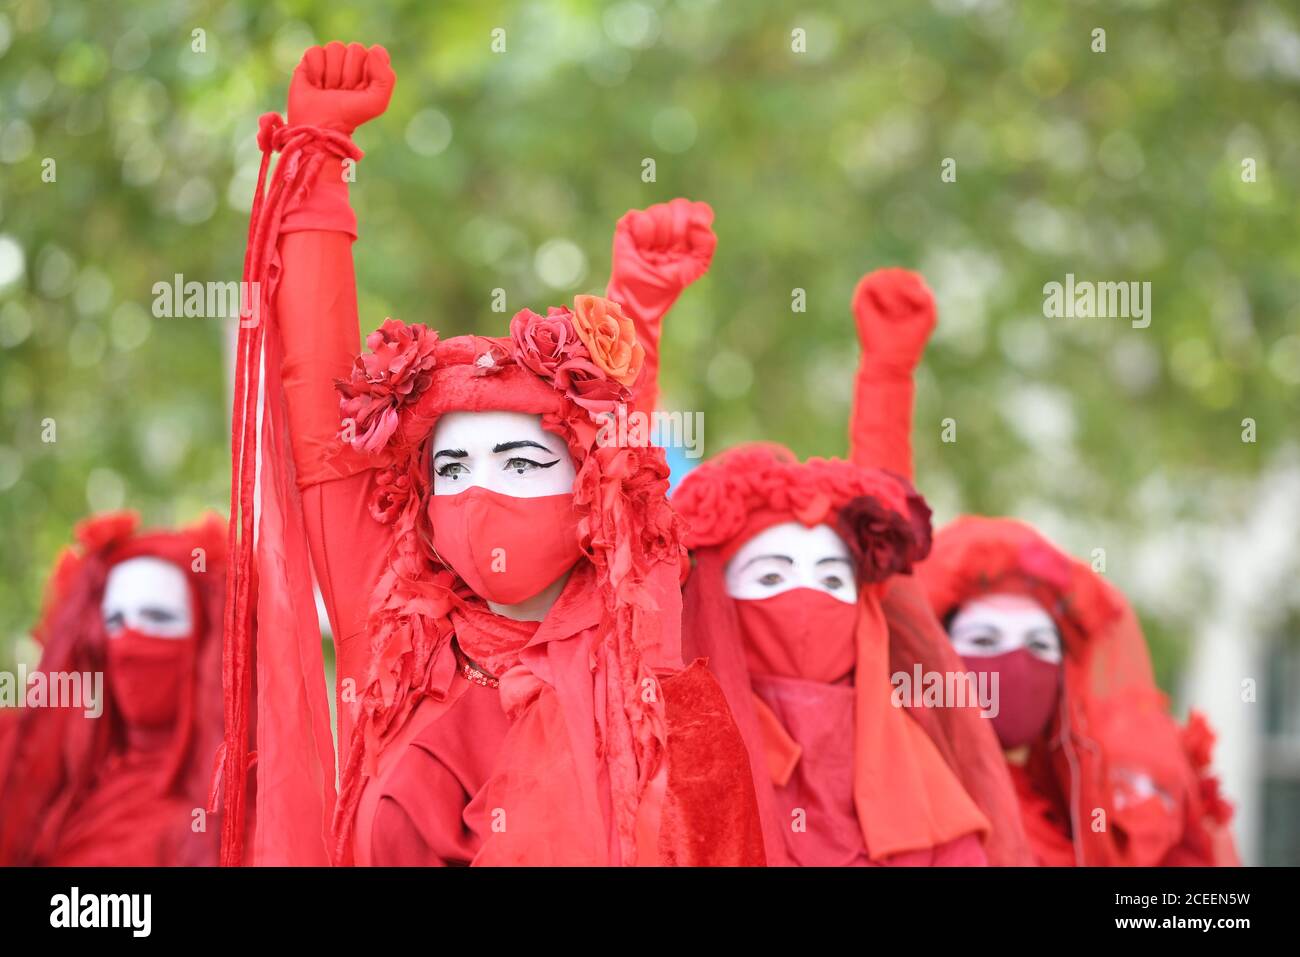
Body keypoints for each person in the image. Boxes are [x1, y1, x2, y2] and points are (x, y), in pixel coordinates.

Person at [218, 41, 765, 866]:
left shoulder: (630, 636)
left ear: (586, 491)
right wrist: (319, 166)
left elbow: (625, 474)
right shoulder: (393, 634)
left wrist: (635, 317)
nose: (478, 492)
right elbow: (322, 422)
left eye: (520, 463)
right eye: (450, 468)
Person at [848, 267, 1237, 865]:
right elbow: (886, 551)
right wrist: (888, 373)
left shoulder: (1086, 826)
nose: (1016, 662)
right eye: (983, 638)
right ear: (940, 653)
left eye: (1039, 645)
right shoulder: (908, 793)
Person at [0, 512, 225, 866]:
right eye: (115, 622)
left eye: (158, 618)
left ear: (206, 636)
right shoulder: (62, 788)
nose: (128, 642)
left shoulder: (244, 804)